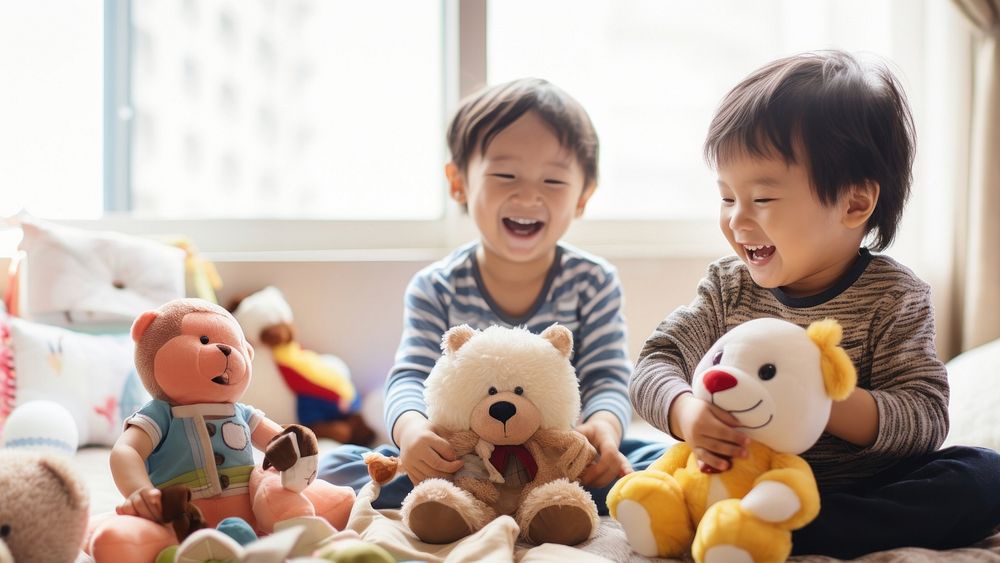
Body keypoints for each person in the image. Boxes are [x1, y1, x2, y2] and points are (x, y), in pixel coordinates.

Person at [630, 50, 1000, 558]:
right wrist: (685, 412)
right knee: (640, 455)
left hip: (851, 488)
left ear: (854, 204)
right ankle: (705, 509)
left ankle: (786, 528)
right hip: (737, 472)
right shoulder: (728, 285)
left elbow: (924, 416)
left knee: (983, 478)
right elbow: (655, 362)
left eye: (761, 199)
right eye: (726, 197)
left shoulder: (895, 297)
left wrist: (819, 401)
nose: (737, 221)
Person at [318, 78, 666, 514]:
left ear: (583, 197)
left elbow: (608, 376)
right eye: (505, 175)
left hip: (558, 462)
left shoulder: (592, 281)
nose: (528, 194)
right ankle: (457, 505)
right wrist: (411, 433)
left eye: (554, 180)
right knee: (337, 466)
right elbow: (409, 376)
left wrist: (604, 428)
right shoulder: (437, 285)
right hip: (462, 464)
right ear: (459, 182)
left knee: (661, 462)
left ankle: (553, 508)